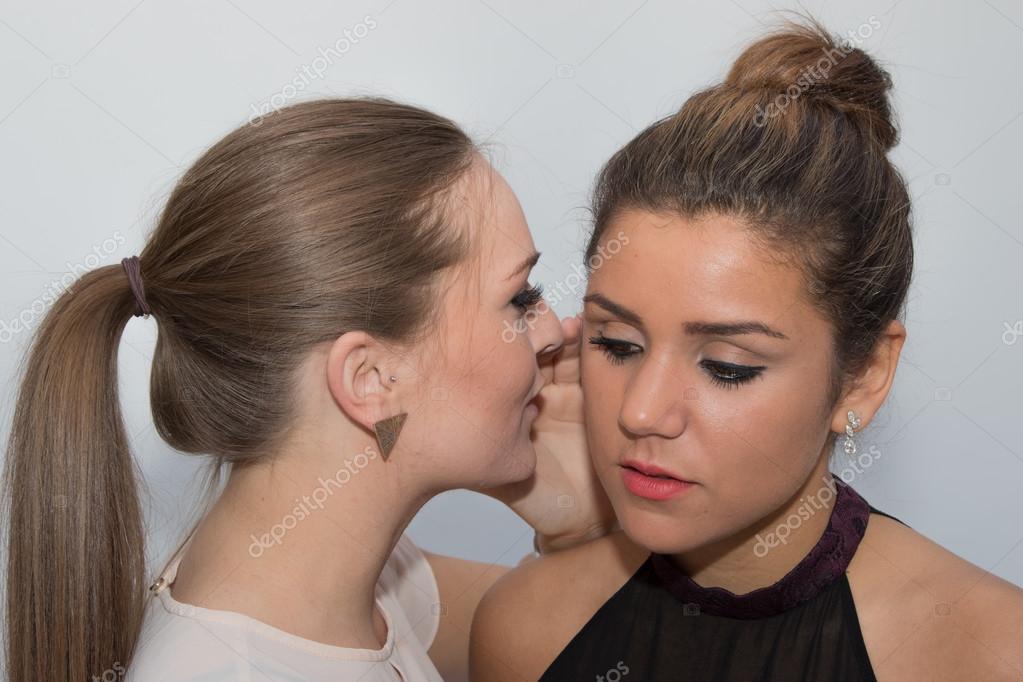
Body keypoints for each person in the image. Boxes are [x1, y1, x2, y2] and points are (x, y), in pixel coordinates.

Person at [470, 19, 1023, 682]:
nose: (642, 413)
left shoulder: (989, 654)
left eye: (727, 367)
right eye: (616, 344)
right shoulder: (525, 629)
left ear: (863, 376)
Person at [2, 98, 613, 682]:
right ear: (370, 379)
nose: (553, 332)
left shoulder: (355, 584)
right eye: (518, 299)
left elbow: (558, 647)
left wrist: (573, 525)